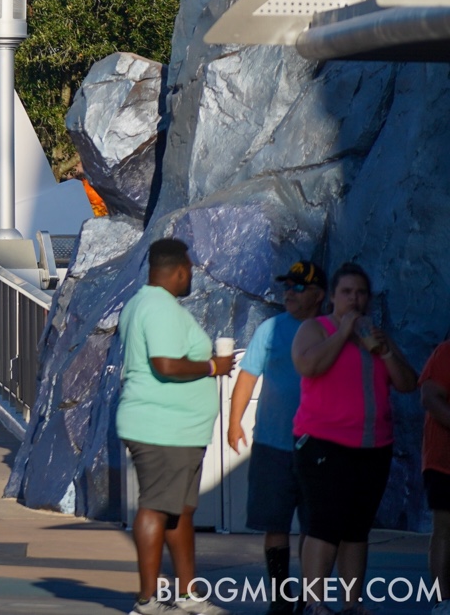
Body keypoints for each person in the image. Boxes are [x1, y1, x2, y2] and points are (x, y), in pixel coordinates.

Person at [115, 237, 235, 615]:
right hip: (160, 427)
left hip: (177, 430)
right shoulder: (161, 308)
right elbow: (165, 364)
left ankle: (188, 594)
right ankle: (147, 601)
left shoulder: (139, 304)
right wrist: (213, 367)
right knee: (155, 506)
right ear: (179, 270)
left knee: (179, 510)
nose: (191, 278)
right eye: (189, 270)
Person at [290, 261, 417, 613]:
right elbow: (309, 366)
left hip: (373, 447)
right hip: (323, 443)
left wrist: (385, 351)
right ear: (333, 297)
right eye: (347, 292)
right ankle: (315, 604)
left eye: (361, 293)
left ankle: (351, 604)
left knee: (357, 529)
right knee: (324, 525)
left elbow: (408, 384)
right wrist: (343, 333)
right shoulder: (315, 329)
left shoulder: (376, 336)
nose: (354, 299)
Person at [225, 261, 325, 614]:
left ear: (318, 295)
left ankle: (311, 599)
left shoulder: (329, 331)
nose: (290, 294)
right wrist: (234, 422)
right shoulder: (269, 329)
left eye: (298, 288)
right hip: (272, 443)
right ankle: (281, 596)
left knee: (315, 528)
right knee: (275, 523)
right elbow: (248, 377)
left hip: (318, 446)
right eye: (287, 286)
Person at [420, 329, 450, 615]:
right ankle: (442, 602)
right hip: (444, 460)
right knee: (445, 527)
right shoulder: (446, 352)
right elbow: (429, 396)